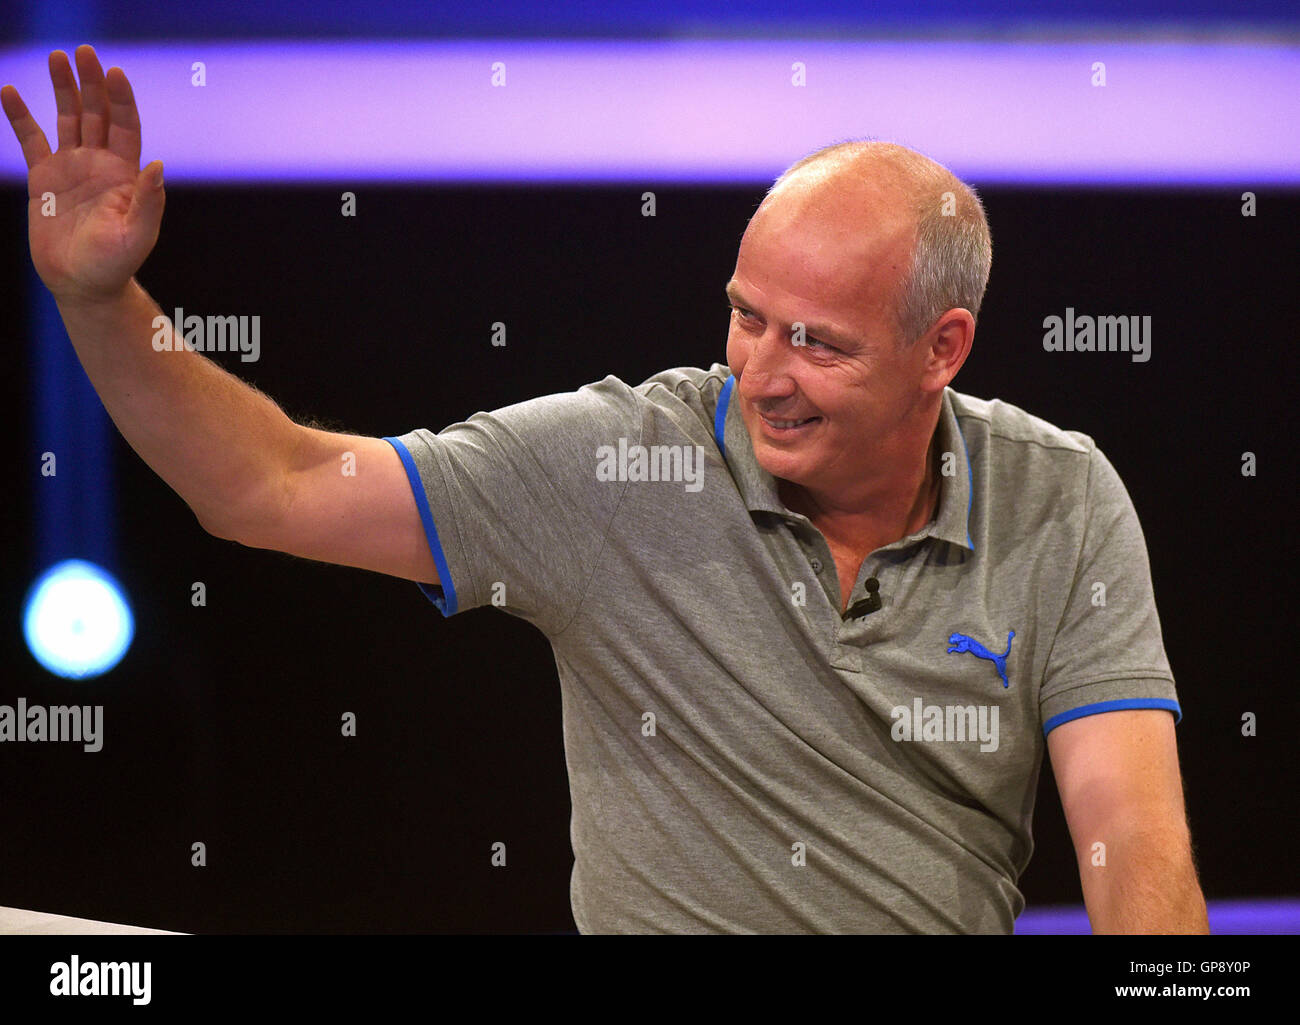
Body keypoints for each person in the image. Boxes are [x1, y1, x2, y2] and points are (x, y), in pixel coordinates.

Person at [4, 45, 1208, 934]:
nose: (761, 374)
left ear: (942, 349)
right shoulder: (616, 463)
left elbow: (1133, 838)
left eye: (818, 342)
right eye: (744, 316)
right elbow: (269, 484)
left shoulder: (1058, 495)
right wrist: (101, 304)